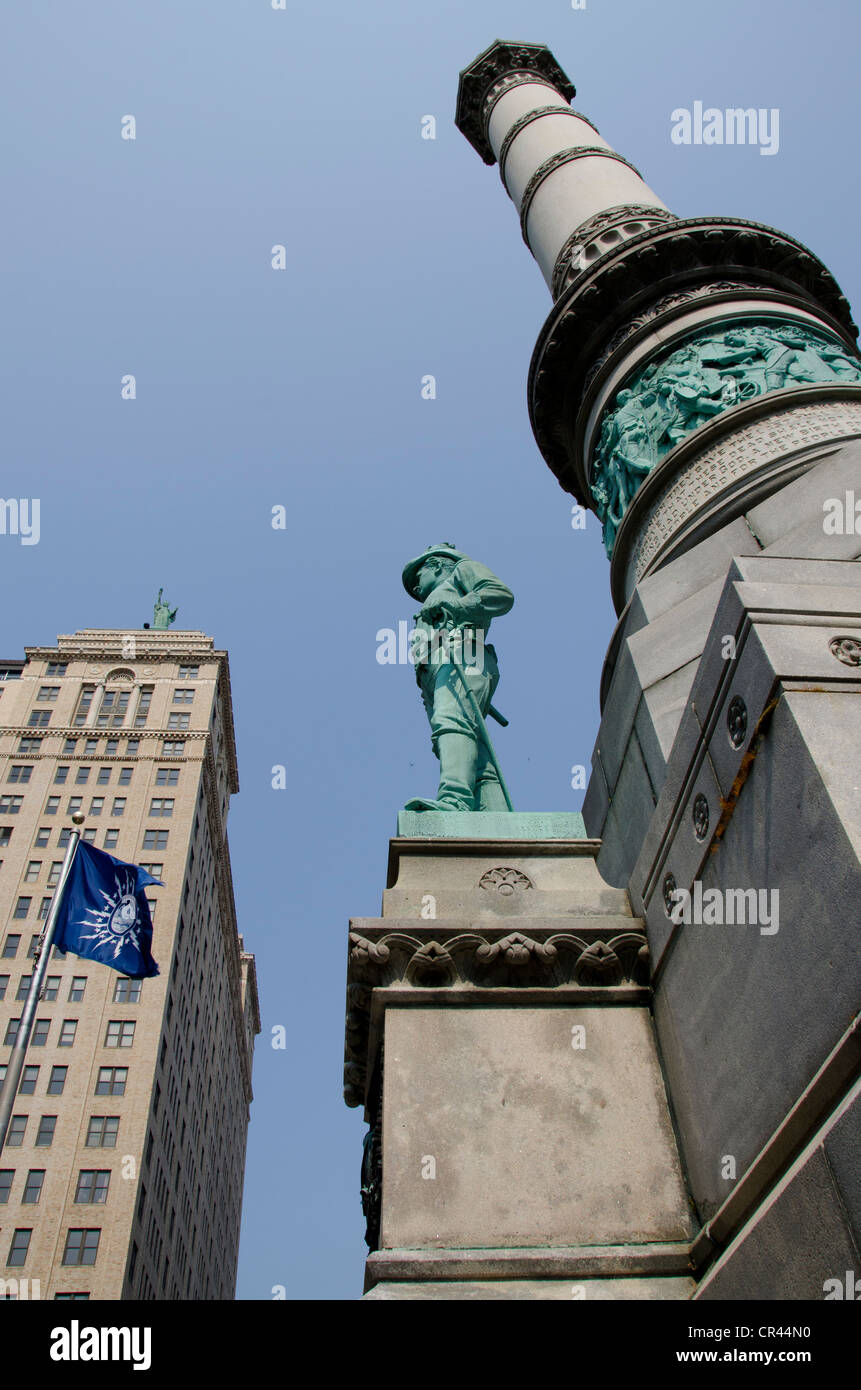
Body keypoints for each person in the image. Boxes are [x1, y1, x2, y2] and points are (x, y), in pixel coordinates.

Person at [401, 543, 513, 812]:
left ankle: (455, 799)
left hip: (465, 654)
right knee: (468, 743)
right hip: (437, 672)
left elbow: (500, 595)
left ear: (436, 565)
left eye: (417, 577)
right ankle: (494, 813)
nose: (416, 588)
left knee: (452, 720)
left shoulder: (462, 570)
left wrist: (456, 604)